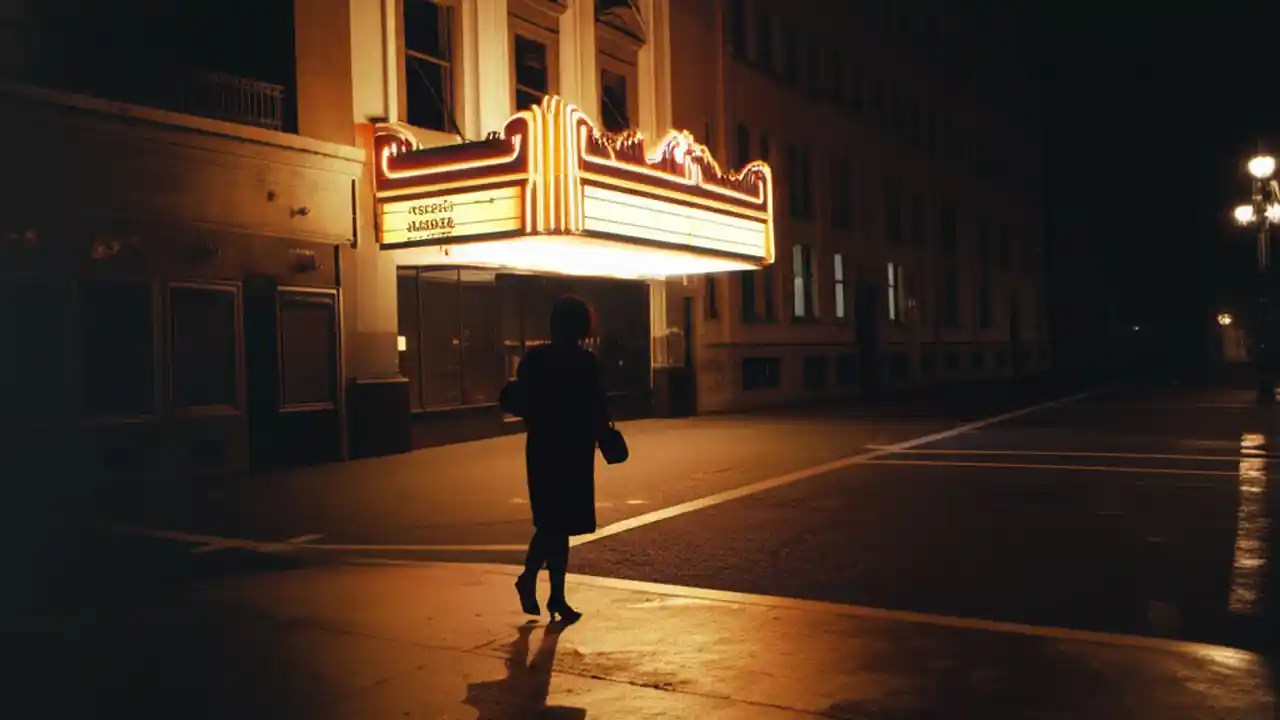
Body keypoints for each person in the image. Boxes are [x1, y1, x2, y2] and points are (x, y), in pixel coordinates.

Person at [510, 295, 610, 624]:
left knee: (552, 524)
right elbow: (597, 407)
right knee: (559, 525)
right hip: (574, 450)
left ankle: (545, 589)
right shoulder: (585, 362)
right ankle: (550, 592)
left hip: (542, 447)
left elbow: (522, 398)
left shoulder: (536, 358)